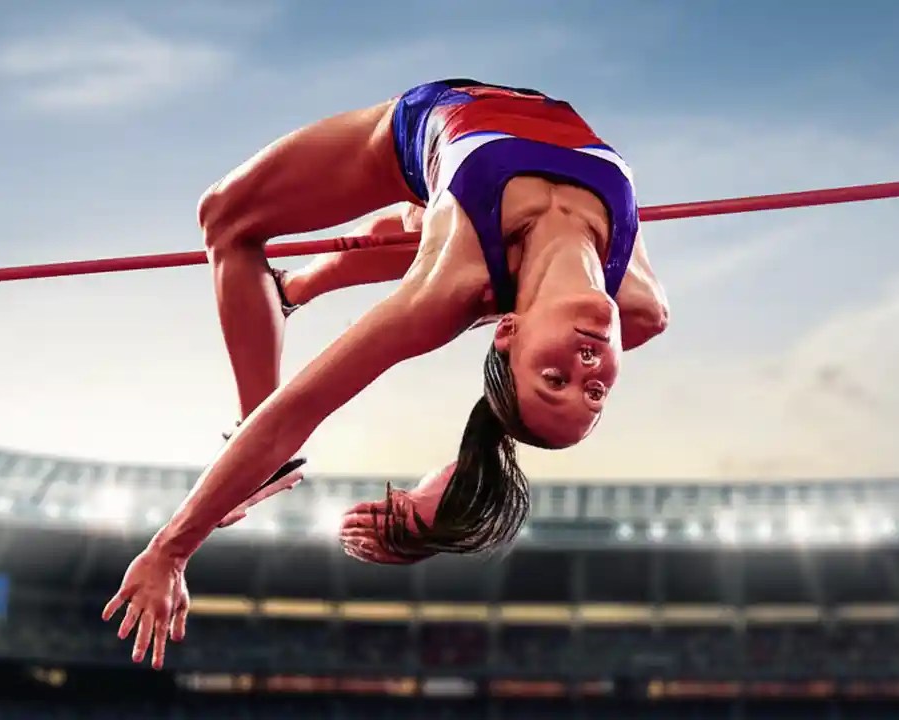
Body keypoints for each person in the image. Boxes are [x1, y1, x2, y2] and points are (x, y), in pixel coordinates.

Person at [103, 79, 669, 667]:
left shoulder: (442, 294)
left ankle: (257, 441)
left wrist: (170, 550)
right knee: (420, 236)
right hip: (497, 180)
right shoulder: (640, 307)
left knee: (223, 217)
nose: (584, 366)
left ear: (507, 332)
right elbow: (517, 406)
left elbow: (299, 409)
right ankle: (299, 287)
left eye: (555, 379)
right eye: (597, 389)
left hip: (432, 125)